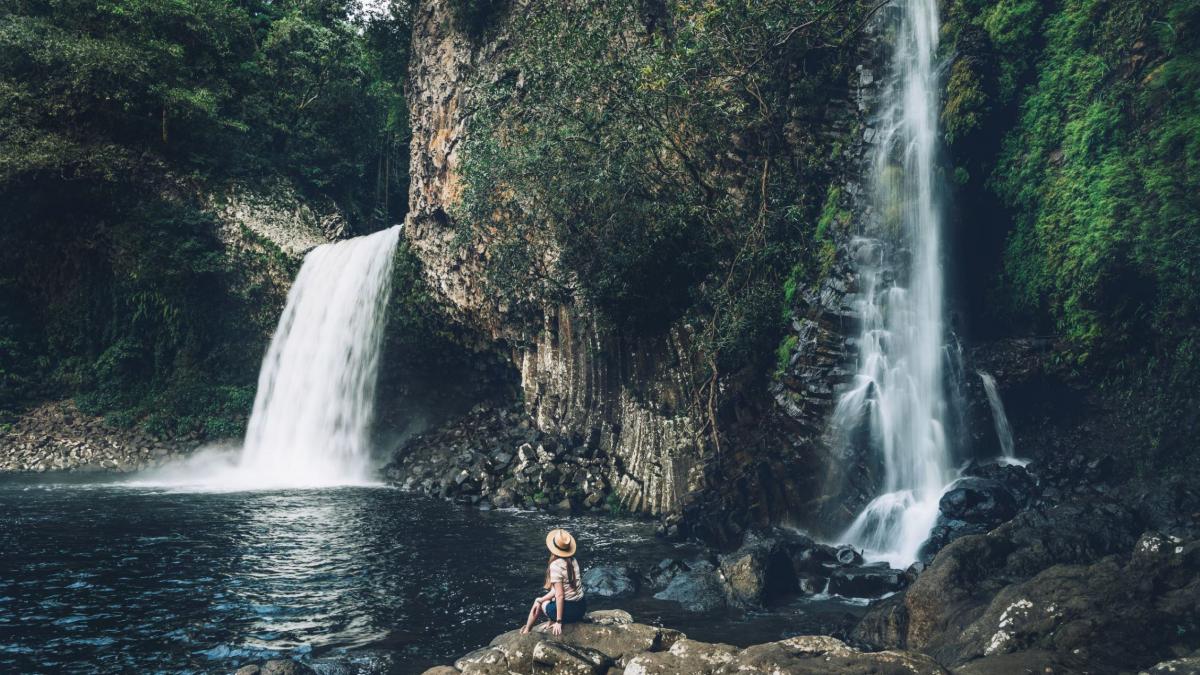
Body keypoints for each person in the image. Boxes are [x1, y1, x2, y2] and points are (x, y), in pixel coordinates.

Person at [520, 528, 587, 635]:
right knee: (541, 600)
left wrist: (558, 621)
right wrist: (541, 600)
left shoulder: (555, 565)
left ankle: (526, 631)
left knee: (539, 602)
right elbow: (557, 591)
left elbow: (560, 595)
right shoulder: (574, 560)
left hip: (569, 612)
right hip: (581, 608)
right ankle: (549, 620)